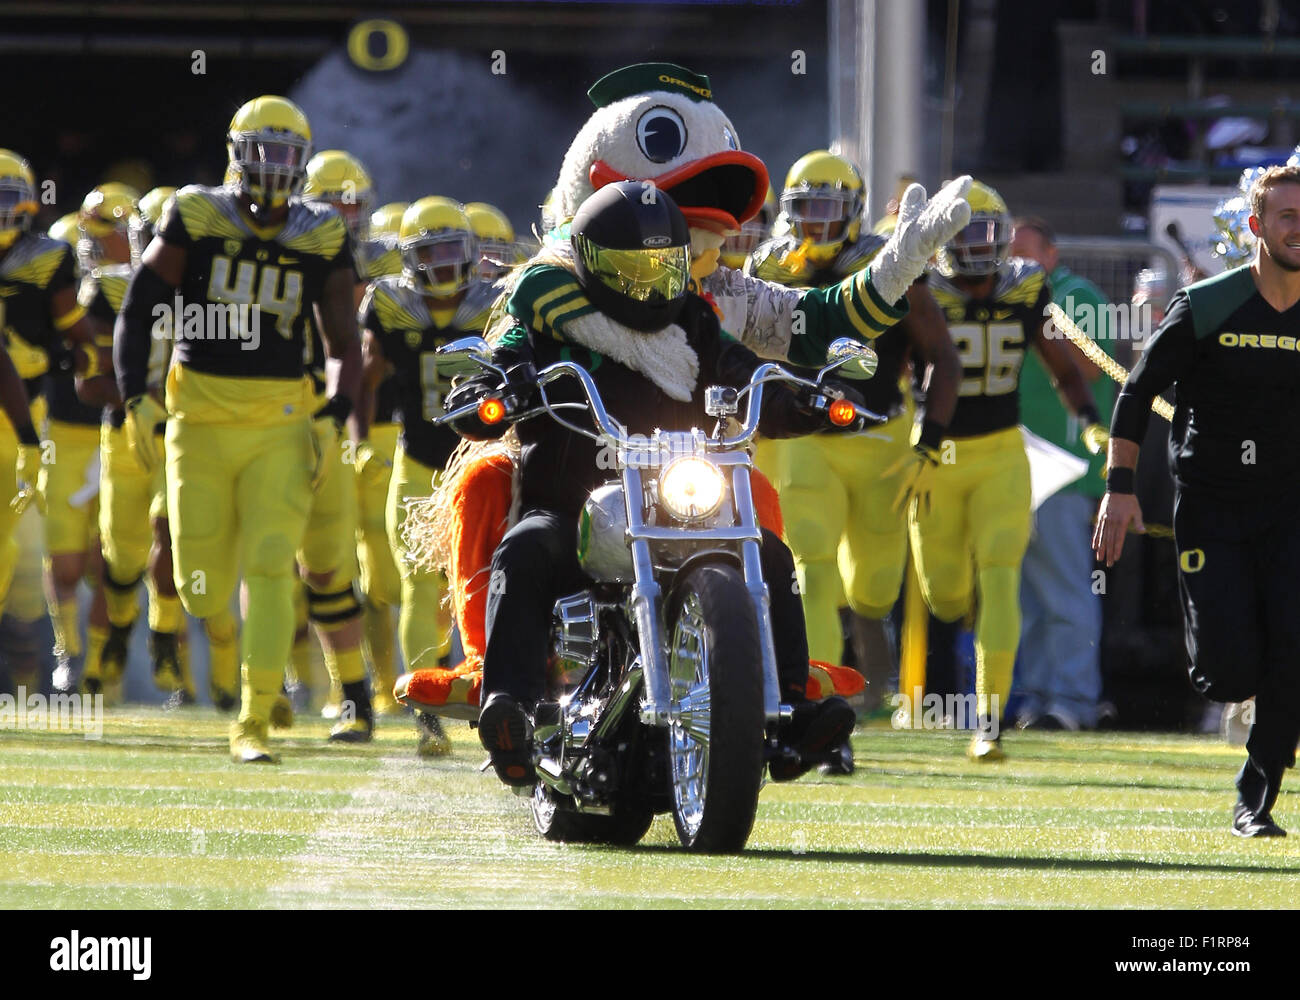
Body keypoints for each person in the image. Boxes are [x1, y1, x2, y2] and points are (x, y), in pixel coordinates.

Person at [446, 181, 860, 787]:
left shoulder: (692, 319)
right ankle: (510, 707)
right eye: (628, 270)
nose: (647, 286)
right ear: (589, 264)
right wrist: (487, 393)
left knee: (769, 555)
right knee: (525, 547)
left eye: (660, 267)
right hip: (575, 507)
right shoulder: (546, 319)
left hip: (681, 504)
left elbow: (745, 375)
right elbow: (506, 357)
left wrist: (813, 400)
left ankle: (791, 711)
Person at [114, 95, 366, 762]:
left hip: (279, 419)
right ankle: (251, 677)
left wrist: (333, 418)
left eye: (285, 153)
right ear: (235, 153)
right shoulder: (196, 213)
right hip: (196, 418)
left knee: (272, 567)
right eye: (261, 150)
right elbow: (139, 310)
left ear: (304, 163)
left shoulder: (321, 232)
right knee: (199, 588)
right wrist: (135, 400)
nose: (272, 166)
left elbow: (345, 344)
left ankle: (253, 716)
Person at [1094, 164, 1300, 837]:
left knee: (1291, 653)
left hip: (1290, 508)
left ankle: (1255, 802)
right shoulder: (1208, 304)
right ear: (1256, 227)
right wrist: (1119, 492)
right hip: (1212, 505)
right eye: (1287, 217)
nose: (1299, 230)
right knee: (1230, 669)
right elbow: (1134, 393)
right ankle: (1225, 668)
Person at [746, 151, 960, 771]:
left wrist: (931, 439)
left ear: (853, 212)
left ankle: (862, 673)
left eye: (827, 209)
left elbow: (942, 356)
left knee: (873, 586)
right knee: (809, 564)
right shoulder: (769, 266)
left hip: (878, 437)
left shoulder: (883, 261)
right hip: (799, 437)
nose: (814, 223)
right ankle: (819, 717)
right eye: (804, 209)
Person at [918, 182, 1103, 761]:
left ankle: (988, 721)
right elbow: (893, 372)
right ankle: (985, 695)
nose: (977, 247)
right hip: (938, 457)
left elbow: (1064, 367)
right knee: (946, 597)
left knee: (1002, 575)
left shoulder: (1026, 288)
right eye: (965, 234)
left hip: (1002, 450)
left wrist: (1092, 420)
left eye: (986, 234)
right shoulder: (919, 288)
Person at [357, 196, 499, 754]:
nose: (441, 264)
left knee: (485, 583)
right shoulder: (391, 305)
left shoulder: (494, 305)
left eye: (450, 250)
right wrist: (360, 442)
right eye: (429, 253)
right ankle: (427, 716)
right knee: (419, 589)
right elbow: (365, 378)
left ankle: (496, 691)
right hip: (418, 463)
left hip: (479, 465)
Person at [1005, 216, 1115, 731]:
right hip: (1016, 466)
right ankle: (1040, 697)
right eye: (1011, 259)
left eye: (1027, 258)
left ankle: (1072, 700)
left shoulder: (1078, 295)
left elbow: (1088, 367)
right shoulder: (1010, 297)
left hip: (1066, 470)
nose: (1017, 268)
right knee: (1027, 593)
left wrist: (1029, 318)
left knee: (1066, 588)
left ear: (1052, 255)